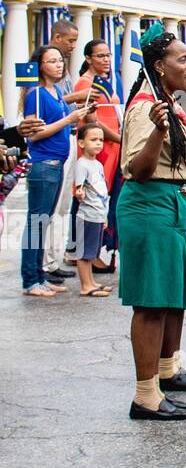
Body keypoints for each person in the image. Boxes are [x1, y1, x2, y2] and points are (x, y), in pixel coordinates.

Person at [116, 26, 186, 420]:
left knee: (172, 295)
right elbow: (138, 169)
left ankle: (167, 370)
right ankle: (145, 394)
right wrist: (158, 129)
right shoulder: (145, 108)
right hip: (150, 205)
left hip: (174, 203)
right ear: (159, 66)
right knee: (152, 303)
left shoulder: (166, 102)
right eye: (182, 59)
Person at [20, 44, 90, 297]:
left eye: (60, 60)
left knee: (44, 221)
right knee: (36, 222)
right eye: (52, 61)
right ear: (41, 66)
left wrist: (77, 113)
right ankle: (30, 279)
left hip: (57, 163)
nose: (58, 65)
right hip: (43, 164)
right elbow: (36, 133)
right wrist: (70, 119)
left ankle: (39, 275)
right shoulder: (36, 95)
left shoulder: (56, 92)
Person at [73, 38, 122, 268]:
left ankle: (94, 251)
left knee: (103, 199)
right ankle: (85, 253)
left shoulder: (105, 82)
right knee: (90, 200)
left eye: (108, 55)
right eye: (100, 55)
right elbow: (92, 121)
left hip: (110, 146)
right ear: (88, 58)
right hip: (98, 147)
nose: (106, 60)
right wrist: (118, 137)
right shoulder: (85, 83)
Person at [71, 121, 112, 297]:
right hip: (87, 215)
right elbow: (79, 188)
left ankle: (91, 282)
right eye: (93, 139)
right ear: (81, 143)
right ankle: (85, 285)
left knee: (92, 251)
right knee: (84, 252)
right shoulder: (82, 164)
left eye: (101, 140)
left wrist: (104, 216)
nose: (98, 143)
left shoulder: (98, 165)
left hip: (97, 213)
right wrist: (79, 192)